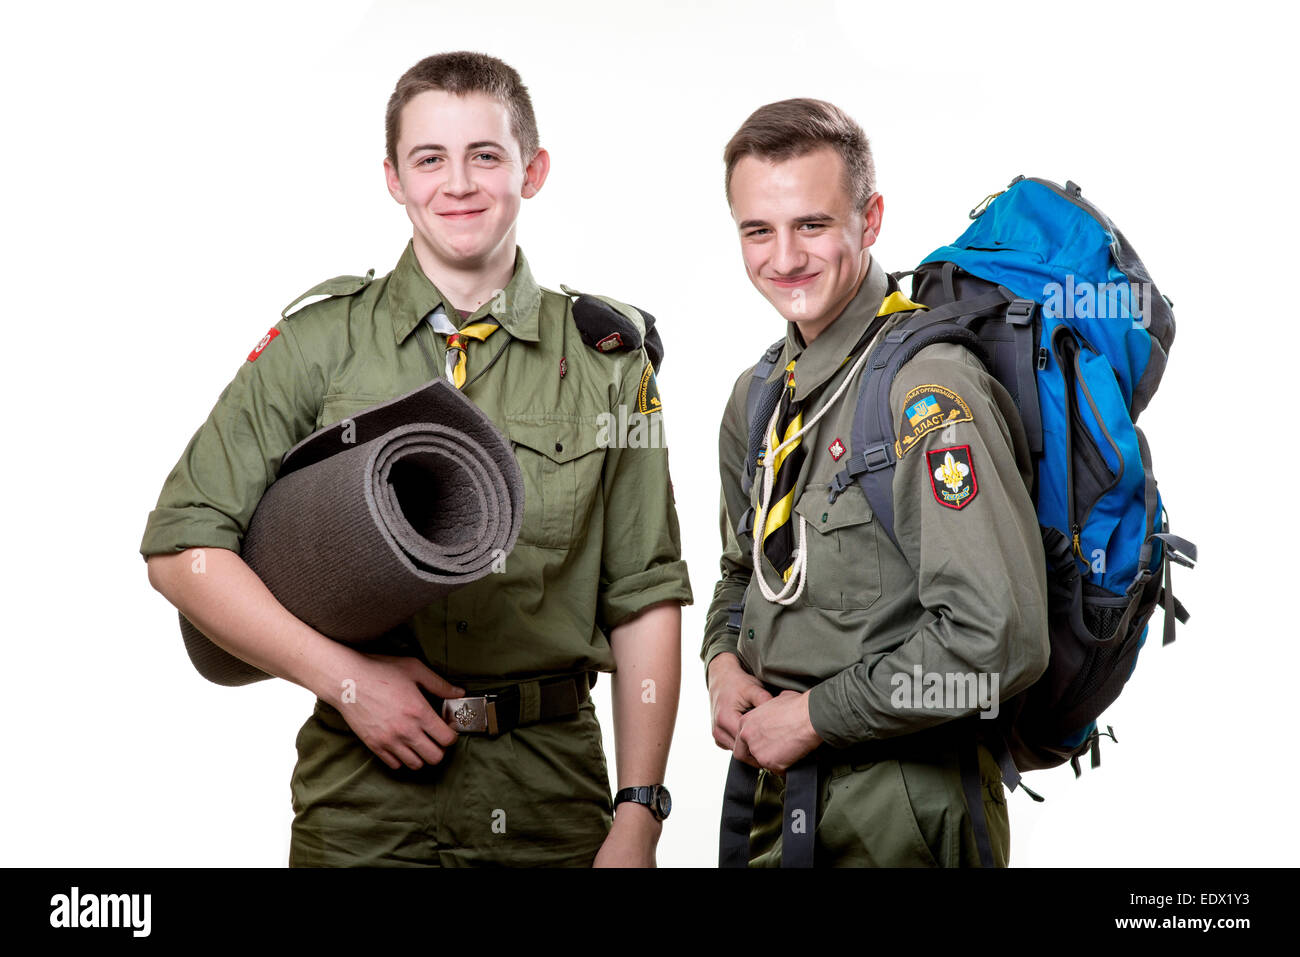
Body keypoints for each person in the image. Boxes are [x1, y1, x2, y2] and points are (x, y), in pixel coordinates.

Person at [141, 51, 692, 868]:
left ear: (532, 171)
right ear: (394, 178)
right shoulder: (319, 343)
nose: (458, 183)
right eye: (430, 158)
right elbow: (182, 547)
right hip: (362, 799)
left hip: (547, 792)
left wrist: (640, 812)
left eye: (486, 155)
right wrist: (347, 682)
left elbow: (643, 591)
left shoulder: (610, 361)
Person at [702, 98, 1050, 867]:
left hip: (904, 810)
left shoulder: (927, 390)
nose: (784, 256)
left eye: (813, 225)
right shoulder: (757, 395)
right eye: (758, 229)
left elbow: (997, 640)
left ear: (870, 218)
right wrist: (723, 665)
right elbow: (744, 572)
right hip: (773, 797)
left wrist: (818, 715)